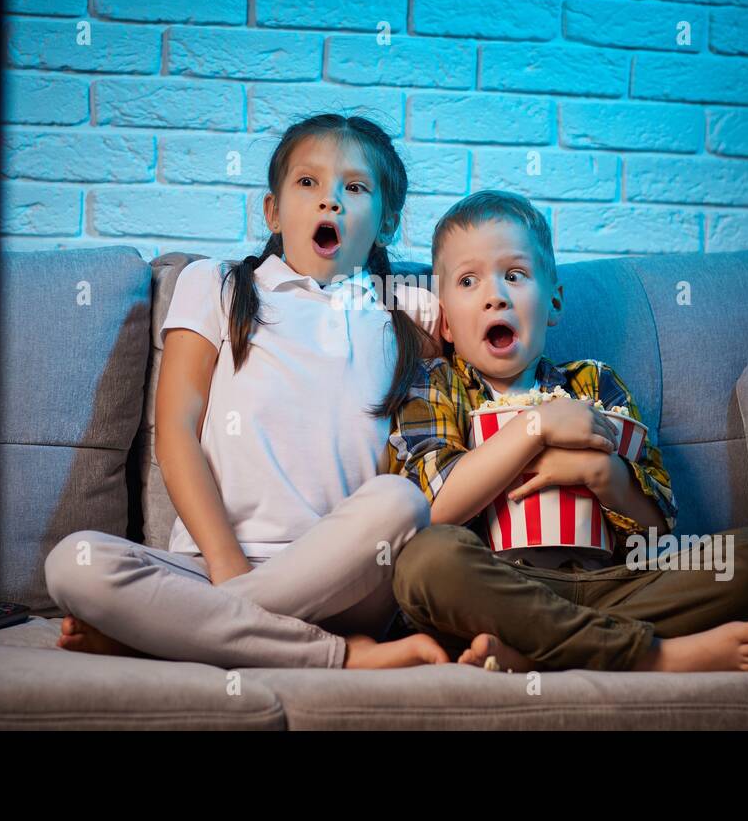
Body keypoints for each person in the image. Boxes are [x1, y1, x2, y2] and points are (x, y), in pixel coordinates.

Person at [45, 114, 450, 669]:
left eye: (354, 188)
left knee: (401, 501)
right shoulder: (216, 284)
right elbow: (177, 434)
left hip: (348, 580)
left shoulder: (407, 315)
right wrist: (228, 565)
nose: (329, 200)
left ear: (387, 223)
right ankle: (335, 656)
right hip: (212, 565)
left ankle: (172, 633)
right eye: (307, 183)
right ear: (273, 211)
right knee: (74, 562)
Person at [387, 190, 748, 673]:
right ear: (447, 322)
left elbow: (655, 529)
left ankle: (534, 645)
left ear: (554, 300)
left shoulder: (594, 382)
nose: (495, 294)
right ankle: (652, 654)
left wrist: (601, 473)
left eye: (514, 275)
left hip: (612, 580)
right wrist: (537, 427)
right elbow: (434, 512)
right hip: (495, 581)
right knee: (425, 563)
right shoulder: (434, 385)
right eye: (469, 280)